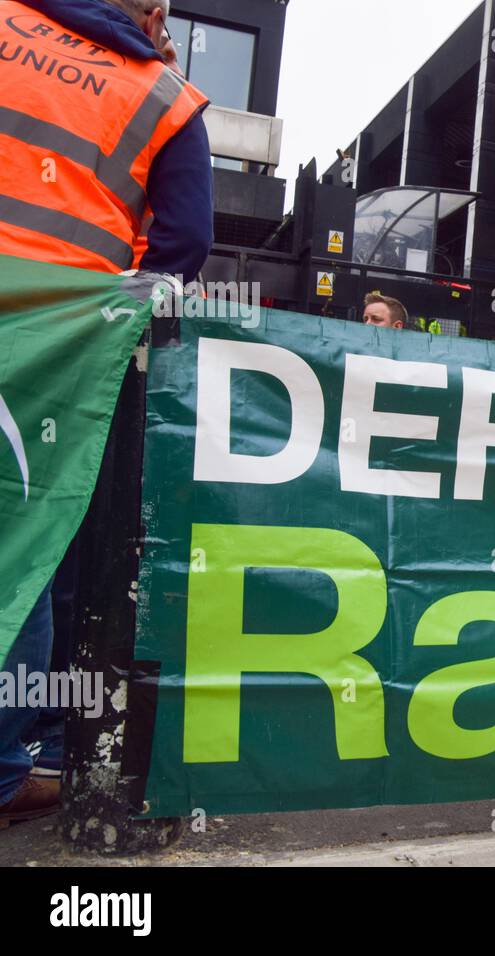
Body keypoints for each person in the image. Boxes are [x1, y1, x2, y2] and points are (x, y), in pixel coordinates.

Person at [0, 0, 213, 828]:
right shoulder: (162, 95)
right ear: (155, 11)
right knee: (34, 539)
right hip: (59, 352)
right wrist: (110, 318)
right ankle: (17, 759)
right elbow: (183, 243)